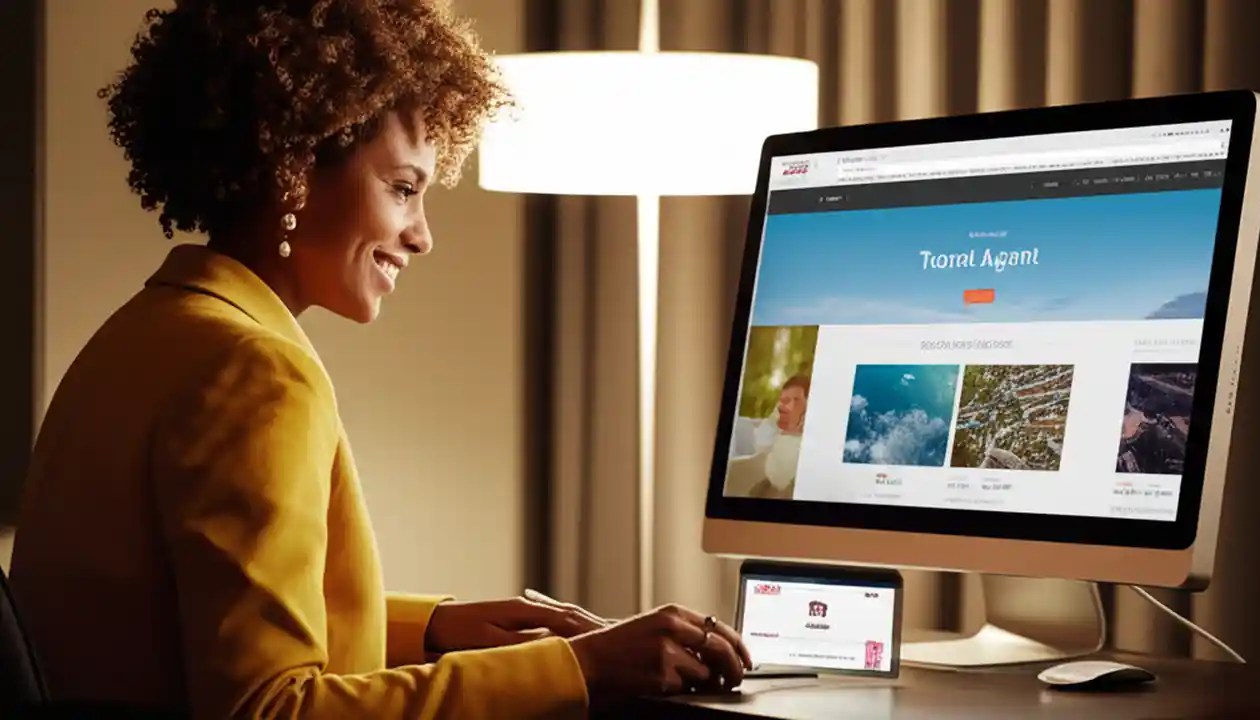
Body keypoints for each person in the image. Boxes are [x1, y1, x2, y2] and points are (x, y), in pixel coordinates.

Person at [8, 1, 749, 718]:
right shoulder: (255, 371)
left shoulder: (147, 331)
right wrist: (580, 669)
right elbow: (267, 709)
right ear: (294, 168)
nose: (422, 235)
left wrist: (430, 629)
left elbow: (181, 612)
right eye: (403, 190)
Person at [748, 375, 810, 499]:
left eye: (796, 400)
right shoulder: (778, 423)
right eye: (786, 400)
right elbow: (759, 443)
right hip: (772, 486)